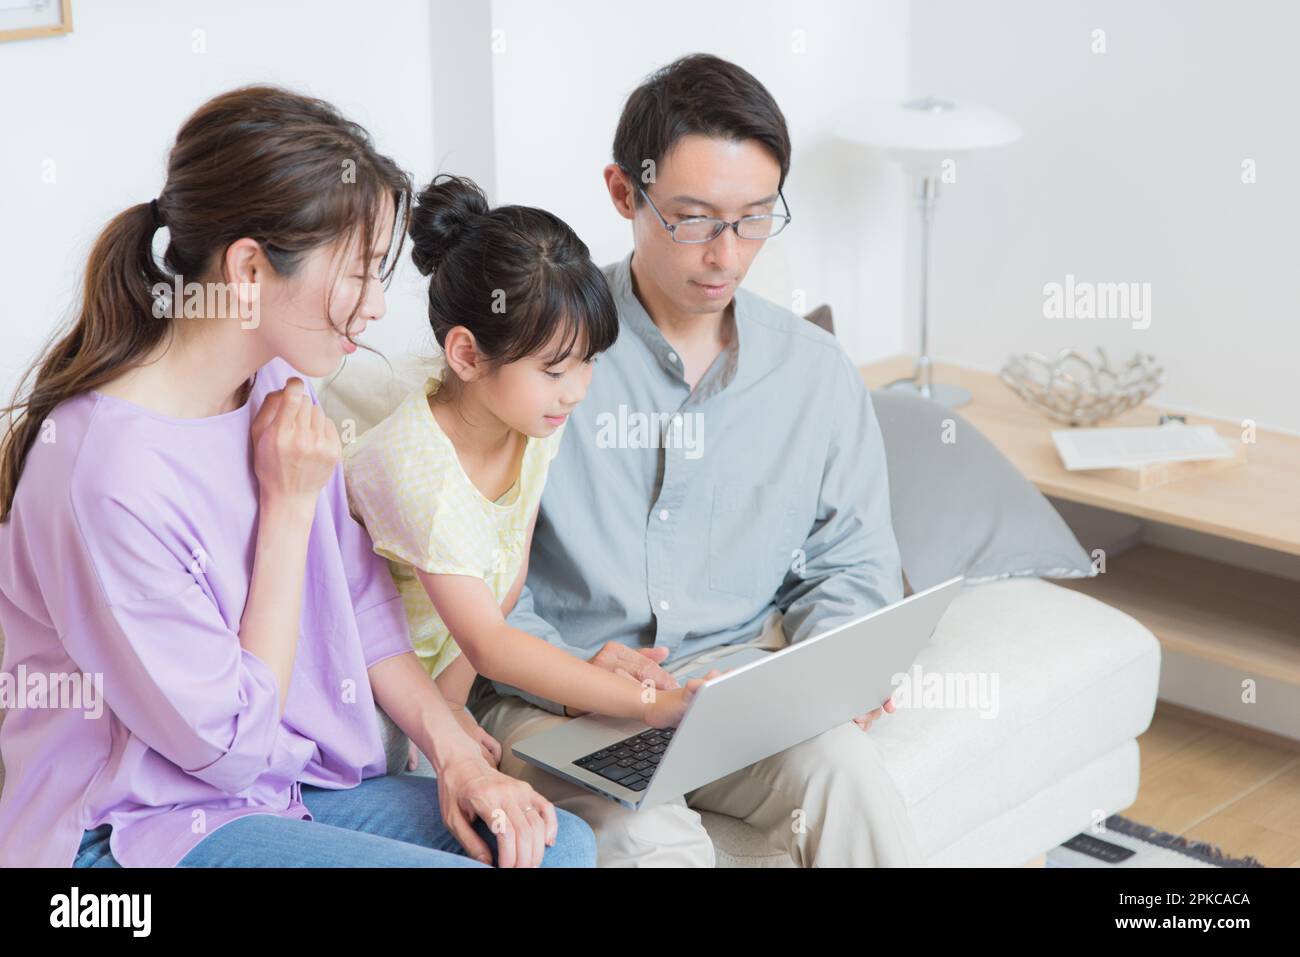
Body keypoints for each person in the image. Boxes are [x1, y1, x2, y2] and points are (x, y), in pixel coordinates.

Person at [0, 86, 595, 868]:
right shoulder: (101, 473)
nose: (378, 304)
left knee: (558, 844)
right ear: (249, 268)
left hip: (278, 791)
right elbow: (228, 749)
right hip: (127, 838)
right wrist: (285, 508)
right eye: (357, 273)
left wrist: (454, 751)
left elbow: (357, 598)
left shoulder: (281, 383)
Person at [465, 54, 923, 867]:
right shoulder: (534, 361)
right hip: (561, 699)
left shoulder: (814, 372)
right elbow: (471, 576)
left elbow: (848, 560)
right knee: (644, 834)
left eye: (754, 217)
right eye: (694, 218)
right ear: (622, 193)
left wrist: (839, 668)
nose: (727, 255)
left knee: (847, 773)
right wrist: (579, 670)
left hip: (731, 692)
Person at [343, 175, 712, 779]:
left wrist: (453, 702)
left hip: (432, 688)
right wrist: (655, 706)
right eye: (555, 369)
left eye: (588, 361)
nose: (577, 390)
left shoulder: (533, 417)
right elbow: (489, 640)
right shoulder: (419, 474)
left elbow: (504, 583)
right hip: (355, 692)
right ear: (466, 355)